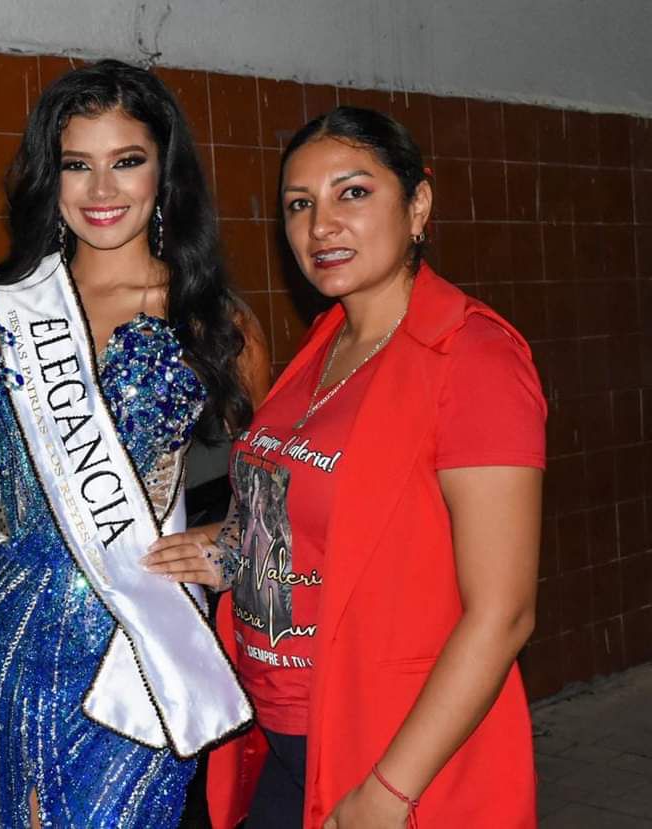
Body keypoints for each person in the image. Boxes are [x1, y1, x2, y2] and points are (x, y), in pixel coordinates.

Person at [147, 106, 545, 828]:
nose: (321, 225)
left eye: (352, 193)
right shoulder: (324, 343)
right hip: (283, 735)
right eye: (300, 205)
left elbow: (504, 612)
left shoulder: (473, 359)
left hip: (389, 748)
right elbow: (323, 515)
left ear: (418, 203)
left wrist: (388, 793)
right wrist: (229, 545)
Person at [0, 60, 270, 828]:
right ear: (48, 178)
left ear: (165, 173)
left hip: (137, 649)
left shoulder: (211, 320)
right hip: (8, 636)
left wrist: (231, 547)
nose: (101, 191)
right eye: (76, 165)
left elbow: (281, 485)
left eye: (126, 162)